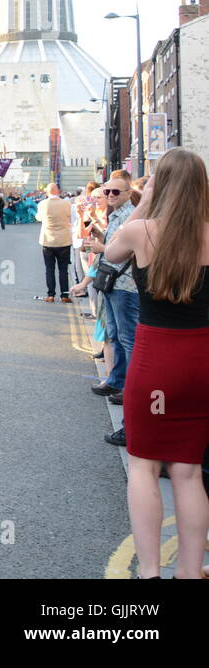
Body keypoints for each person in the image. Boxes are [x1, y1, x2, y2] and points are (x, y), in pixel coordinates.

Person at [103, 149, 209, 580]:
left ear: (160, 186)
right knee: (188, 471)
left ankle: (149, 573)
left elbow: (109, 253)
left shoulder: (141, 232)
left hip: (156, 363)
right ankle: (188, 571)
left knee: (144, 465)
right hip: (201, 362)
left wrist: (143, 201)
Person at [69, 174, 137, 420]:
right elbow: (110, 246)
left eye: (115, 192)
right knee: (115, 335)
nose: (109, 196)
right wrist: (99, 234)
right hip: (111, 282)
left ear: (129, 193)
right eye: (107, 191)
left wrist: (101, 248)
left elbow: (124, 252)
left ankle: (128, 387)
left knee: (127, 338)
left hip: (125, 286)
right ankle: (117, 380)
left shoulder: (131, 216)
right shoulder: (116, 215)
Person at [36, 183, 72, 302]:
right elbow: (70, 217)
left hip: (48, 241)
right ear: (58, 191)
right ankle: (65, 295)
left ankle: (51, 295)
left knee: (49, 269)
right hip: (63, 241)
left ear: (47, 192)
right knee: (63, 270)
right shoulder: (66, 203)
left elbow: (39, 218)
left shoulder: (42, 204)